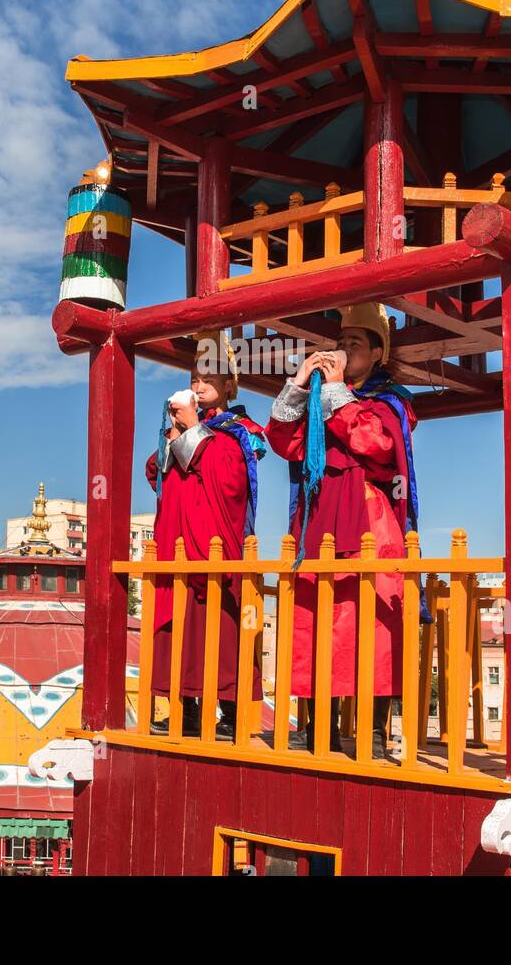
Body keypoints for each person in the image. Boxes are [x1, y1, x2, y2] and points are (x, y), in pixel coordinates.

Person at [265, 303, 418, 758]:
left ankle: (373, 733)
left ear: (376, 354)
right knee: (314, 623)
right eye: (340, 342)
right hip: (320, 519)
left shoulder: (393, 400)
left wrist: (333, 392)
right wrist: (299, 383)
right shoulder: (322, 397)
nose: (343, 350)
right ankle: (319, 732)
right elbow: (283, 442)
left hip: (371, 521)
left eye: (355, 343)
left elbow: (376, 443)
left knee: (374, 624)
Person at [146, 331, 265, 740]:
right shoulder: (181, 429)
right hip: (178, 545)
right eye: (195, 378)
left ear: (229, 386)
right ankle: (188, 711)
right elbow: (155, 473)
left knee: (221, 629)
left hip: (215, 547)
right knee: (182, 631)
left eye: (209, 379)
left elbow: (228, 478)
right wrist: (177, 437)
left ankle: (229, 714)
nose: (199, 387)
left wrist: (193, 433)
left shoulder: (241, 431)